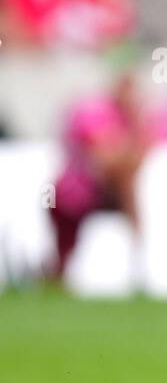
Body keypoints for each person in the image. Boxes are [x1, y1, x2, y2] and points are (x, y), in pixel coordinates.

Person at [49, 72, 154, 281]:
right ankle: (55, 274)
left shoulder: (135, 119)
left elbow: (132, 163)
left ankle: (140, 265)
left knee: (128, 185)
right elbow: (105, 159)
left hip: (106, 192)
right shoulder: (93, 112)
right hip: (73, 193)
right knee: (63, 250)